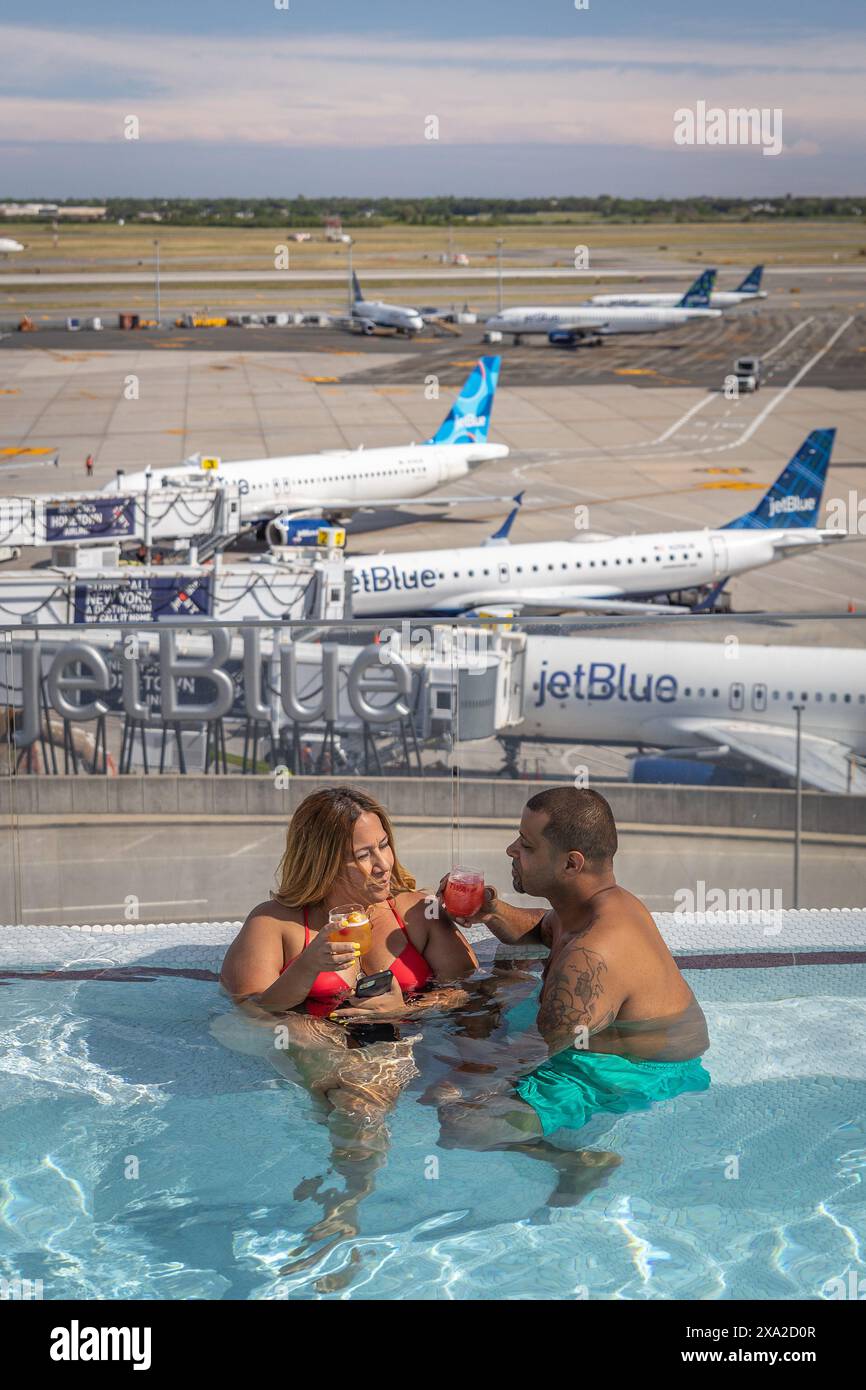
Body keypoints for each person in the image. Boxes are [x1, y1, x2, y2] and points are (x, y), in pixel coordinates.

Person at [219, 786, 478, 1261]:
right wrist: (306, 966)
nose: (382, 863)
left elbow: (468, 990)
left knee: (363, 1091)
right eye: (363, 854)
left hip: (400, 1040)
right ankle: (345, 1195)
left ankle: (343, 1201)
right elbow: (249, 1010)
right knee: (303, 1033)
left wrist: (408, 1010)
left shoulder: (415, 911)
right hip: (315, 1040)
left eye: (384, 844)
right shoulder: (275, 923)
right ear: (322, 861)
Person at [436, 786, 710, 1161]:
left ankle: (575, 1161)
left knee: (461, 1125)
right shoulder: (596, 905)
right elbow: (542, 929)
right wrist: (493, 911)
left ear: (571, 864)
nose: (511, 850)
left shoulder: (592, 954)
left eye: (527, 845)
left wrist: (450, 1063)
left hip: (630, 1072)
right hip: (592, 1047)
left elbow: (527, 1056)